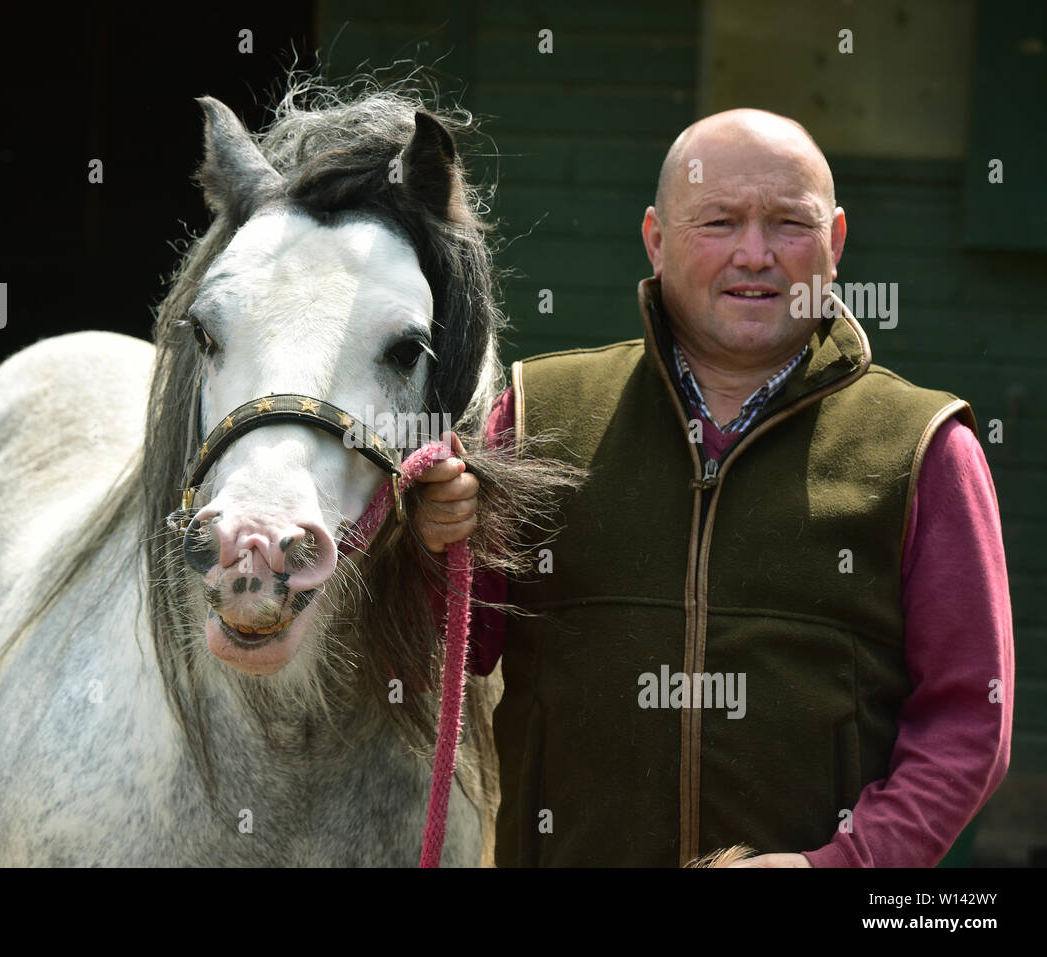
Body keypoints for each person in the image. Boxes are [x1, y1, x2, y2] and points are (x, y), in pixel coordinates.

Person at [412, 109, 1014, 867]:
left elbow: (968, 724)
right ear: (656, 241)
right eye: (719, 221)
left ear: (834, 243)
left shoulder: (925, 445)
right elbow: (454, 642)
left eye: (789, 224)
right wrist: (430, 543)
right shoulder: (537, 416)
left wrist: (841, 866)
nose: (755, 255)